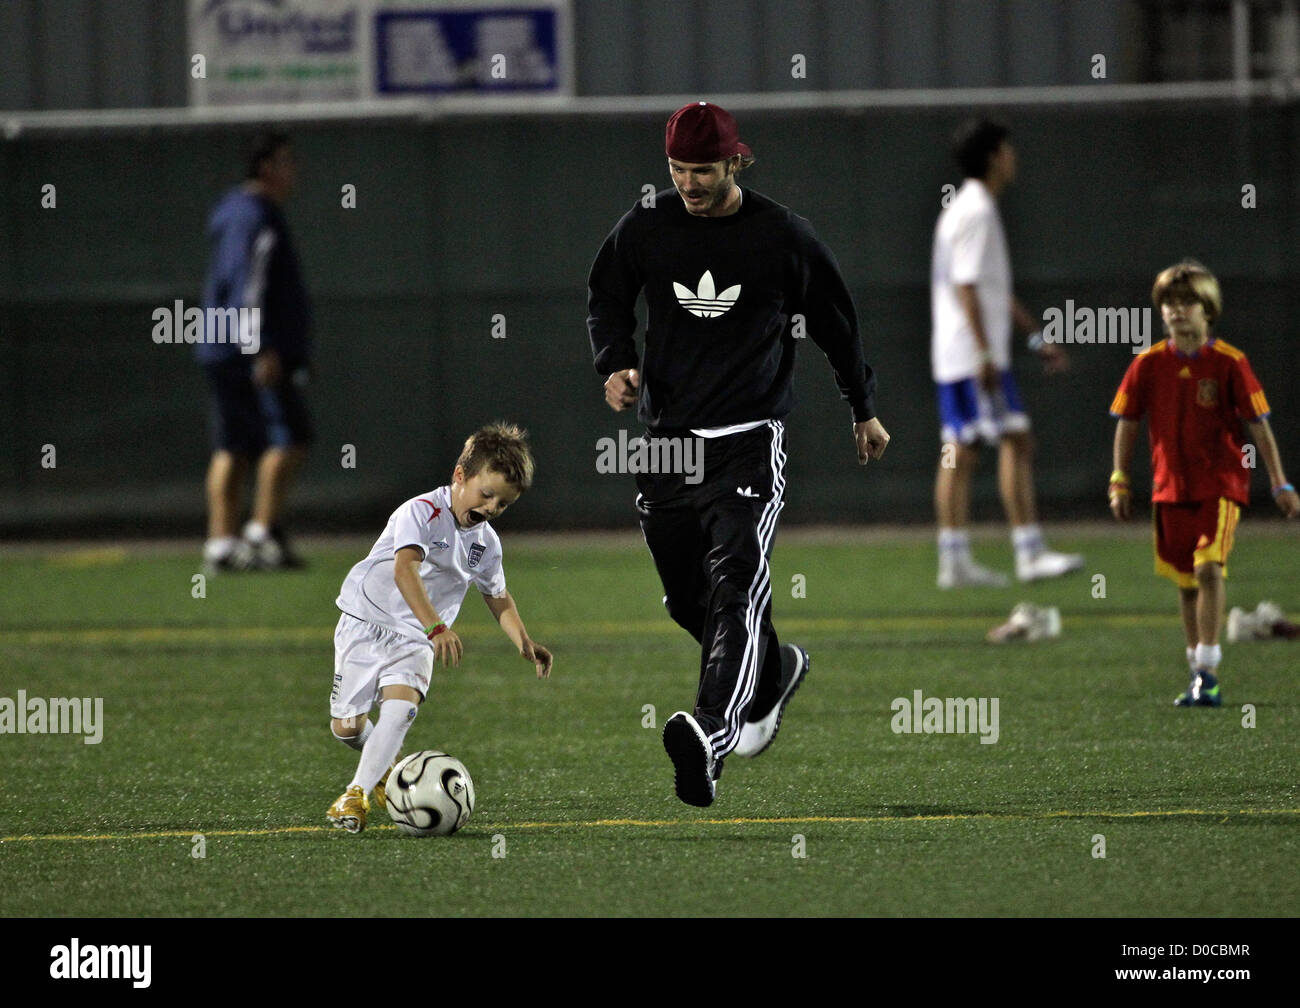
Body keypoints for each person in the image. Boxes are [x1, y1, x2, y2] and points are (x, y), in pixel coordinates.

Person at [587, 100, 889, 807]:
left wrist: (863, 408)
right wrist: (615, 363)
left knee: (733, 590)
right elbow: (607, 294)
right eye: (678, 169)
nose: (689, 183)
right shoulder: (648, 226)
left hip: (749, 444)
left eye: (703, 170)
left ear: (736, 162)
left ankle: (711, 736)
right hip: (667, 446)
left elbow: (838, 326)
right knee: (685, 598)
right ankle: (773, 670)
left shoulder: (783, 236)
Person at [326, 423, 552, 833]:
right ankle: (385, 769)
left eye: (503, 504)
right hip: (366, 621)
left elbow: (497, 596)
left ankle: (354, 795)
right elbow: (404, 570)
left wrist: (523, 640)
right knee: (346, 727)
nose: (491, 508)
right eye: (487, 495)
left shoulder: (487, 543)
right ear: (460, 476)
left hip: (416, 638)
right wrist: (437, 627)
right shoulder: (421, 512)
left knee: (402, 706)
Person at [1109, 259, 1298, 707]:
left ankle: (1209, 669)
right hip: (1169, 489)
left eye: (1187, 302)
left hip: (1219, 486)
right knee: (1185, 580)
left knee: (1208, 567)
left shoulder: (1230, 363)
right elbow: (1128, 422)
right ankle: (1198, 672)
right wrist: (1120, 478)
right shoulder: (1148, 363)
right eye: (1170, 303)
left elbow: (1259, 427)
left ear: (1208, 309)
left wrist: (1279, 483)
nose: (1177, 311)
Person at [930, 118, 1083, 588]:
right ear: (995, 156)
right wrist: (983, 353)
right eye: (1009, 150)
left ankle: (956, 559)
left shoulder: (969, 208)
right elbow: (967, 287)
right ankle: (1027, 551)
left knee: (967, 448)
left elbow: (992, 291)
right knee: (1006, 441)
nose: (1014, 157)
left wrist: (1035, 339)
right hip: (971, 355)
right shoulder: (976, 210)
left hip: (963, 353)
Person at [198, 130, 313, 572]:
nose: (293, 172)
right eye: (287, 163)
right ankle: (260, 535)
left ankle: (221, 545)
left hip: (220, 344)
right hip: (244, 348)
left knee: (235, 444)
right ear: (266, 167)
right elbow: (249, 286)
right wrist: (261, 346)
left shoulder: (233, 211)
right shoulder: (255, 216)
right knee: (289, 437)